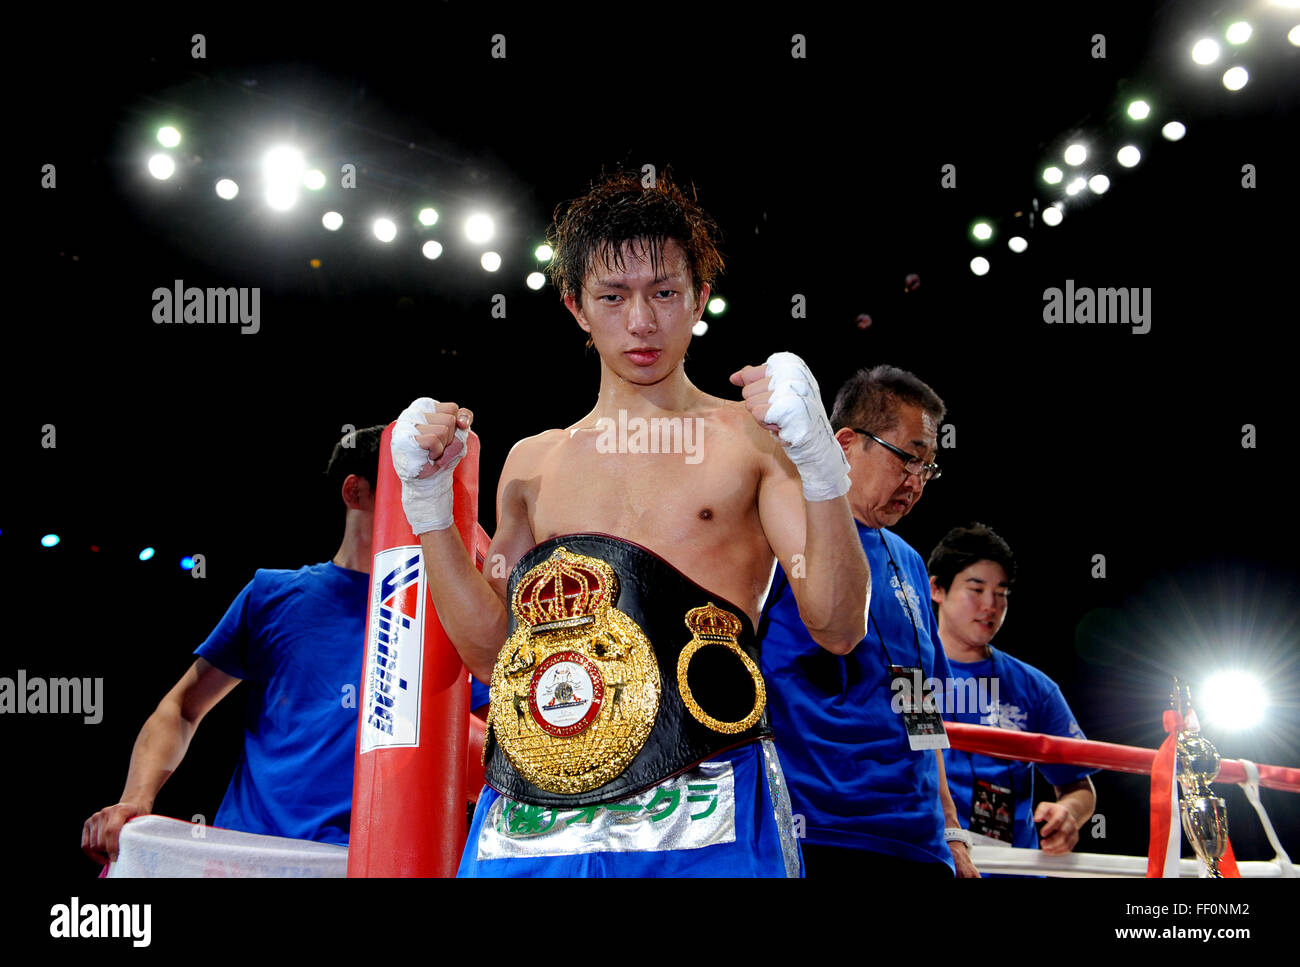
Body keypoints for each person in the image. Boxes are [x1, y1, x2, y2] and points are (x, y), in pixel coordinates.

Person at [390, 170, 869, 877]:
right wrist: (429, 510)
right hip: (535, 812)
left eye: (664, 293)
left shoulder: (754, 439)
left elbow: (837, 623)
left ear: (700, 299)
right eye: (613, 297)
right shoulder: (532, 463)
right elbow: (495, 657)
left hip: (704, 792)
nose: (641, 323)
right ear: (577, 307)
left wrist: (822, 466)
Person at [81, 426, 388, 864]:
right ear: (355, 491)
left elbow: (485, 734)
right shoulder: (273, 595)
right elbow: (182, 707)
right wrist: (136, 798)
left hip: (368, 861)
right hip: (246, 855)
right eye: (408, 488)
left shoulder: (438, 617)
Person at [759, 364, 979, 878]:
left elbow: (919, 704)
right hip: (812, 833)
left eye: (928, 468)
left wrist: (949, 830)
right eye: (907, 458)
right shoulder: (780, 539)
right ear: (845, 443)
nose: (916, 481)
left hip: (914, 844)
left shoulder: (909, 562)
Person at [928, 522, 1096, 853]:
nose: (990, 605)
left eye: (1001, 593)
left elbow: (1079, 788)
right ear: (937, 589)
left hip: (1015, 870)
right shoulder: (907, 675)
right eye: (976, 590)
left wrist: (1067, 815)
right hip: (933, 860)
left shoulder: (1034, 688)